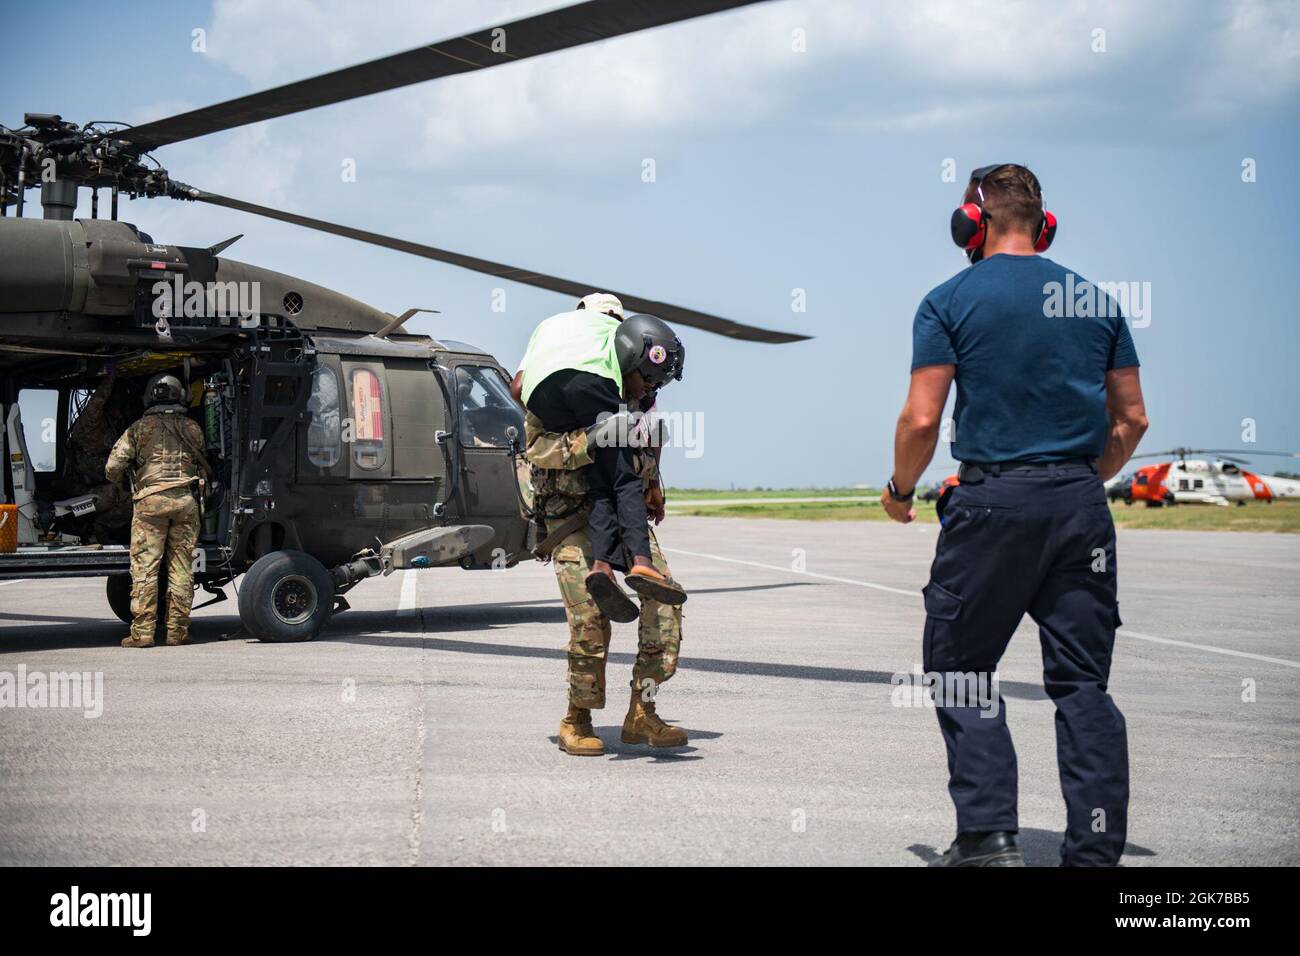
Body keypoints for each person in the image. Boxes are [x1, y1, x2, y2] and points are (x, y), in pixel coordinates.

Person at [882, 164, 1148, 867]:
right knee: (1082, 685)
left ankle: (988, 838)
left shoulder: (949, 300)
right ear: (1043, 221)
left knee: (962, 668)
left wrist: (901, 490)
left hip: (992, 507)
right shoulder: (1096, 300)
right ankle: (1093, 853)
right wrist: (1075, 479)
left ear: (972, 223)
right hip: (1081, 510)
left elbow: (921, 417)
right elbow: (1133, 420)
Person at [524, 395, 687, 757]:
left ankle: (642, 713)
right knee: (590, 618)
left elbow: (651, 440)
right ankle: (576, 720)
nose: (650, 389)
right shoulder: (559, 389)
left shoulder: (640, 401)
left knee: (664, 603)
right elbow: (537, 450)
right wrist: (593, 437)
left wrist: (654, 481)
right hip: (571, 519)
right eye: (646, 380)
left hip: (625, 519)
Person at [513, 293, 687, 622]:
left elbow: (518, 388)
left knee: (604, 480)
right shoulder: (612, 345)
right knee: (622, 478)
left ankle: (604, 568)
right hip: (569, 503)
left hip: (552, 423)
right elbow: (654, 431)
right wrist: (653, 486)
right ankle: (640, 562)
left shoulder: (555, 332)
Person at [105, 373, 213, 648]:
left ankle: (142, 634)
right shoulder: (192, 429)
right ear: (180, 397)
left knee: (146, 568)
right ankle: (177, 632)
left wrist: (128, 485)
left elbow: (112, 468)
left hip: (151, 503)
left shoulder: (139, 428)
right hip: (185, 503)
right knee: (181, 569)